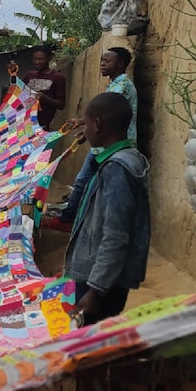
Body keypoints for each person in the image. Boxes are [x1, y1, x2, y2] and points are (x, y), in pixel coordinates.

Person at [64, 91, 151, 326]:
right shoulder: (127, 159)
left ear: (98, 124)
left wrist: (96, 290)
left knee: (88, 342)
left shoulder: (117, 169)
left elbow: (116, 236)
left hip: (99, 280)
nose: (87, 131)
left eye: (88, 124)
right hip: (102, 276)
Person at [46, 47, 139, 231]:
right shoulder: (115, 84)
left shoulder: (122, 86)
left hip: (113, 147)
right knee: (84, 182)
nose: (102, 64)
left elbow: (106, 114)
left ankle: (71, 220)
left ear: (120, 63)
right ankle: (71, 217)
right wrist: (85, 128)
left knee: (89, 183)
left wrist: (84, 125)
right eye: (102, 60)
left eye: (107, 61)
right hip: (104, 144)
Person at [19, 45, 66, 130]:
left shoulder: (58, 78)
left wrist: (45, 98)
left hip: (41, 126)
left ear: (49, 58)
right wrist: (13, 74)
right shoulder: (29, 75)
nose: (37, 62)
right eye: (34, 59)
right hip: (22, 123)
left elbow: (61, 105)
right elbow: (18, 93)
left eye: (40, 59)